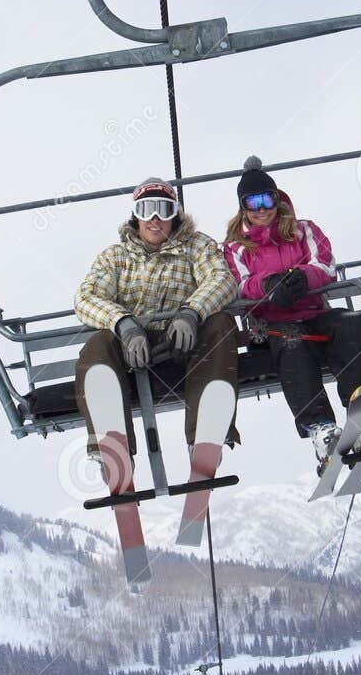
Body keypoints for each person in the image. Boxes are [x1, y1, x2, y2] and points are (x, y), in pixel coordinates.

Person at [222, 156, 361, 471]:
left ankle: (360, 404)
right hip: (274, 325)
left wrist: (302, 277)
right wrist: (268, 286)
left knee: (354, 325)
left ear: (277, 198)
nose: (261, 208)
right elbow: (238, 285)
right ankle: (320, 428)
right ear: (243, 207)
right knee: (292, 348)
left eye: (267, 199)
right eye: (252, 203)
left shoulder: (303, 229)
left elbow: (325, 263)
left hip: (314, 311)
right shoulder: (235, 247)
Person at [74, 177, 240, 463]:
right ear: (135, 215)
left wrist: (191, 313)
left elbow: (222, 280)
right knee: (98, 345)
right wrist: (124, 325)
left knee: (220, 325)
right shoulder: (115, 257)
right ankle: (112, 449)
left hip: (185, 343)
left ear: (175, 214)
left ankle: (207, 435)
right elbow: (86, 298)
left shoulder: (196, 246)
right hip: (132, 350)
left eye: (163, 210)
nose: (154, 219)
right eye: (146, 209)